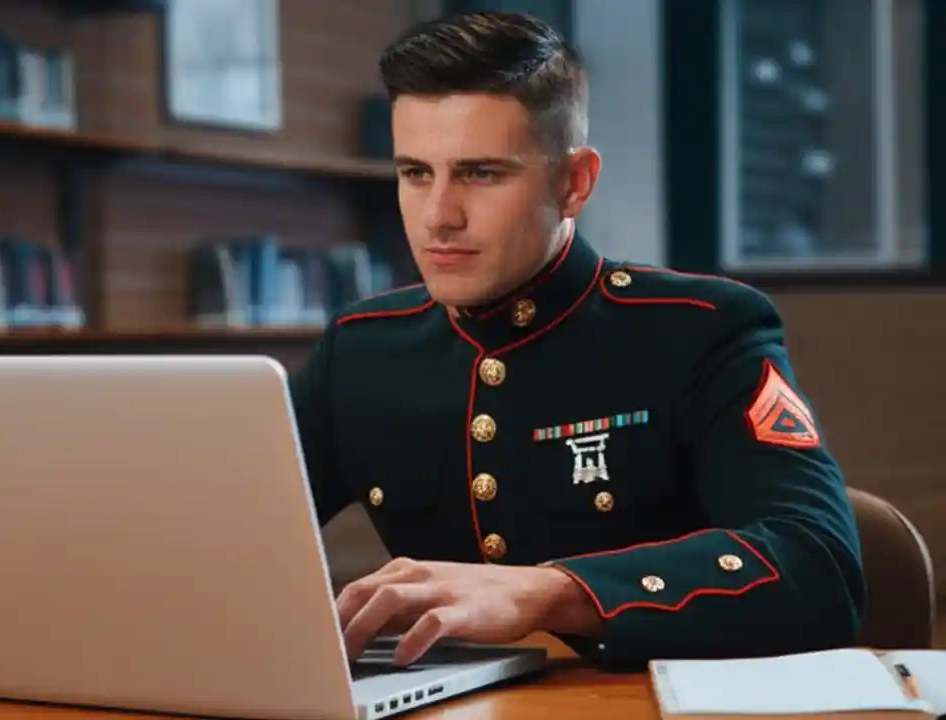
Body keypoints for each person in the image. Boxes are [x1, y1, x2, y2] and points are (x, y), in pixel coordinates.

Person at [288, 11, 864, 671]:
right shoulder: (361, 350)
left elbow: (820, 568)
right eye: (416, 173)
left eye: (481, 174)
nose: (439, 216)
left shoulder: (701, 328)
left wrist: (552, 592)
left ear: (574, 183)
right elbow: (219, 530)